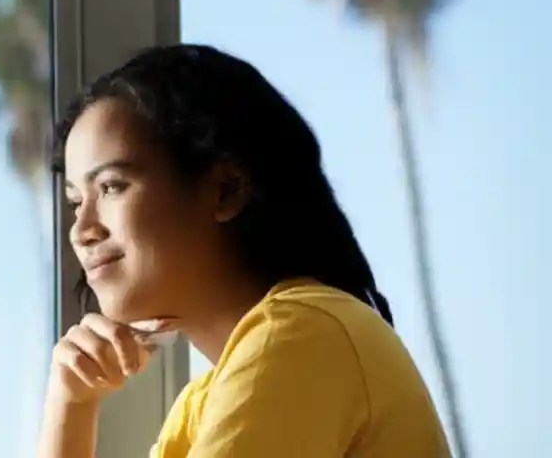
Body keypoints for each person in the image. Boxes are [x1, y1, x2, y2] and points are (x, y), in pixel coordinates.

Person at [38, 44, 451, 457]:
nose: (82, 230)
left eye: (111, 186)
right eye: (77, 201)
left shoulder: (295, 334)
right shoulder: (203, 400)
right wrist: (71, 401)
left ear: (225, 189)